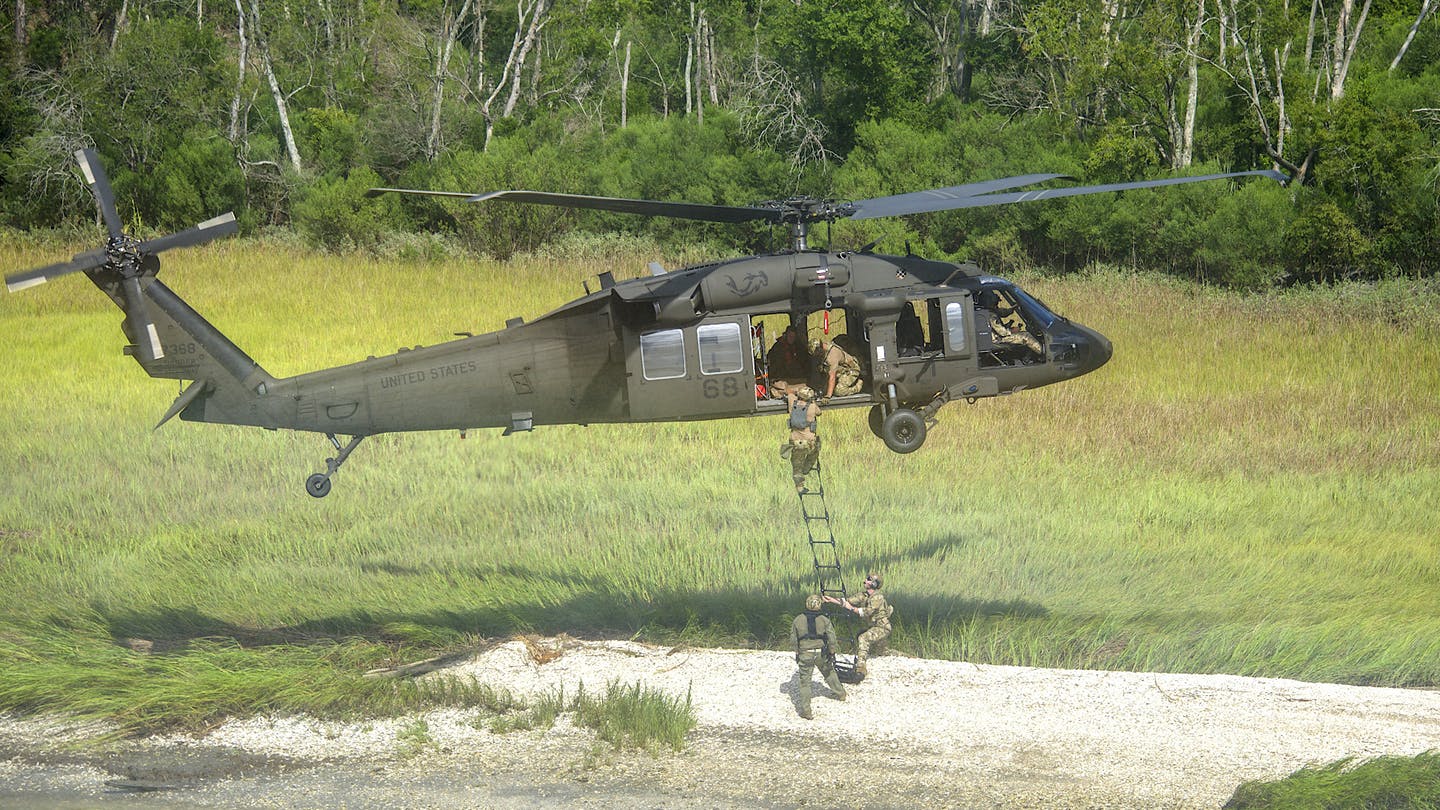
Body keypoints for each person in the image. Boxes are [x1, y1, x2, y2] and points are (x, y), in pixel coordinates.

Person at [824, 572, 892, 679]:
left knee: (863, 638)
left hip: (882, 628)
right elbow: (847, 601)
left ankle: (861, 667)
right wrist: (832, 600)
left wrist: (852, 609)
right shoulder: (864, 595)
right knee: (871, 642)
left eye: (868, 579)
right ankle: (881, 652)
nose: (865, 581)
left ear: (874, 584)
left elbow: (867, 612)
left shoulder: (877, 597)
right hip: (873, 626)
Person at [790, 593, 845, 719]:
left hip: (805, 653)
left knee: (805, 682)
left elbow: (793, 640)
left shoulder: (798, 620)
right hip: (821, 652)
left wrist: (797, 652)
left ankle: (806, 711)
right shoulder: (824, 620)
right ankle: (841, 693)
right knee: (829, 672)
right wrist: (832, 651)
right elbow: (832, 637)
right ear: (819, 605)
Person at [978, 289, 1042, 359]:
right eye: (995, 303)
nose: (997, 305)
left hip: (995, 337)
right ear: (990, 302)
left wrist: (1013, 308)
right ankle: (1043, 354)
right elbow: (1002, 332)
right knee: (1026, 336)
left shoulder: (986, 312)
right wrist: (1012, 330)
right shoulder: (991, 315)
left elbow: (1002, 312)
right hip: (997, 340)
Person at [781, 385, 821, 494]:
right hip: (809, 441)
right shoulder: (812, 406)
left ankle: (800, 487)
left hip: (795, 441)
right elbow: (819, 412)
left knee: (796, 466)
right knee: (815, 451)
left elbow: (789, 391)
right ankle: (807, 467)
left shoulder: (792, 402)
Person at [764, 325, 809, 402]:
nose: (792, 338)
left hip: (794, 374)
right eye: (790, 336)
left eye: (794, 337)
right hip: (780, 374)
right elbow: (773, 362)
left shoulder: (798, 346)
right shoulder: (778, 347)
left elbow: (802, 359)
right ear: (786, 335)